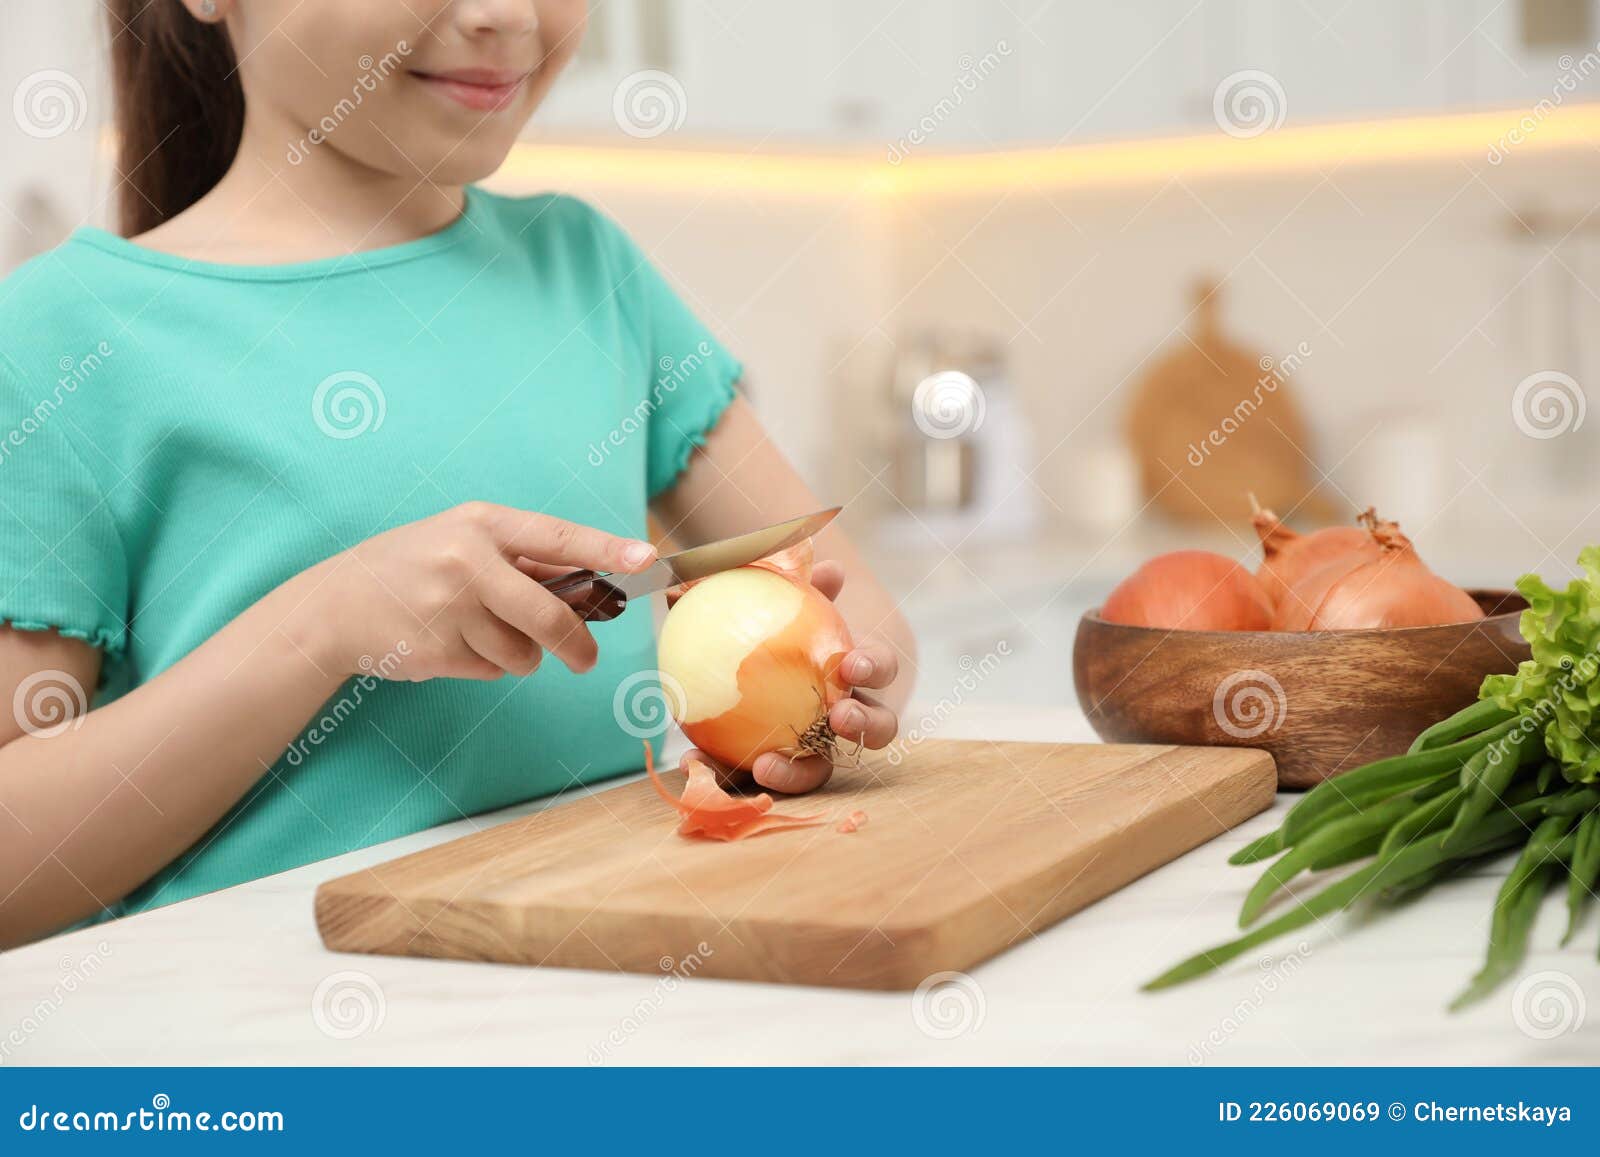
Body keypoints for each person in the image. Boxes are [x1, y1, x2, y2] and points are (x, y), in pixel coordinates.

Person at [0, 0, 913, 946]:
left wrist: (814, 710)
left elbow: (868, 630)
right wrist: (323, 626)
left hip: (612, 981)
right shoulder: (58, 339)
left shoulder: (586, 267)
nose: (505, 14)